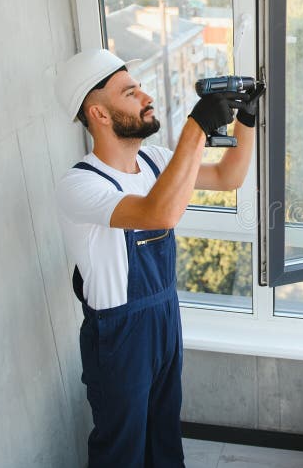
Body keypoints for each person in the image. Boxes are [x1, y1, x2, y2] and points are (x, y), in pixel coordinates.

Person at [54, 49, 263, 468]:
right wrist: (196, 127)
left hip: (165, 315)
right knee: (122, 447)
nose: (146, 96)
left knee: (164, 433)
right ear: (99, 114)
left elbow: (228, 177)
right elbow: (158, 213)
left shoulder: (155, 160)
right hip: (119, 333)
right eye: (130, 92)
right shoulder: (79, 184)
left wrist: (248, 119)